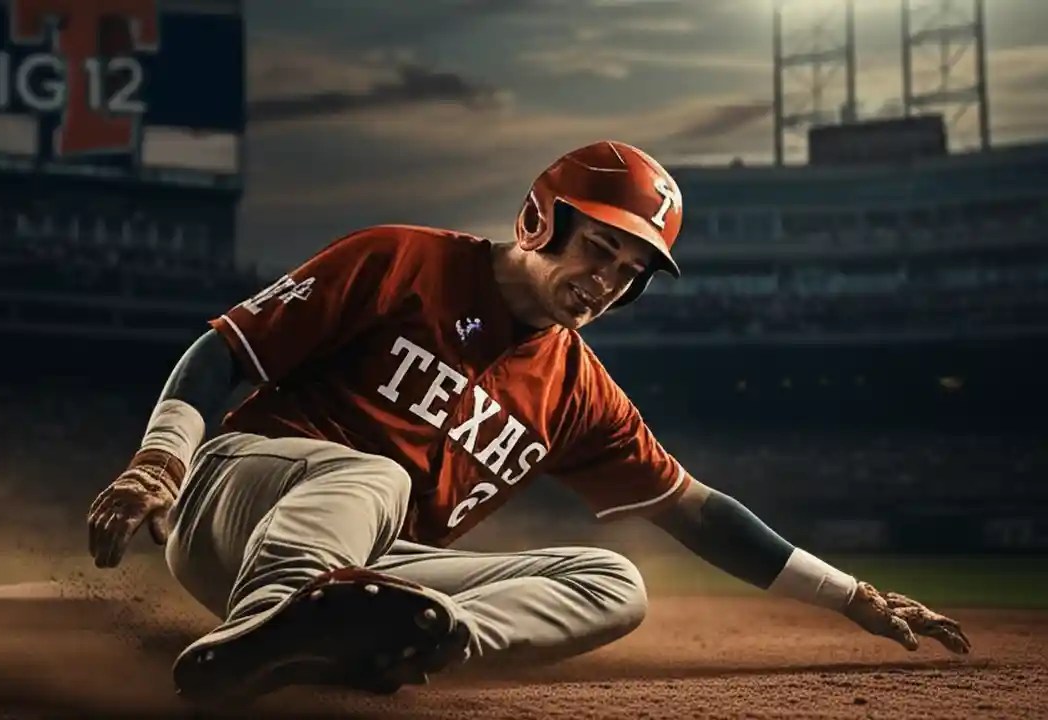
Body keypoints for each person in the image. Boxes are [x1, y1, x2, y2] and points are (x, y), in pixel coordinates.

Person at [86, 140, 970, 703]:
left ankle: (400, 641)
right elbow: (226, 352)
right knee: (377, 474)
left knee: (615, 583)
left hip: (373, 563)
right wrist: (161, 461)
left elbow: (697, 510)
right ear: (541, 219)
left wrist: (851, 595)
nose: (608, 281)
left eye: (630, 272)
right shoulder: (405, 261)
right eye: (599, 248)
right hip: (242, 507)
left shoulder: (580, 389)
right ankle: (270, 622)